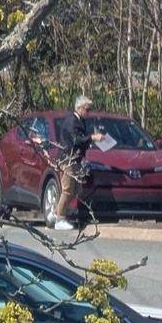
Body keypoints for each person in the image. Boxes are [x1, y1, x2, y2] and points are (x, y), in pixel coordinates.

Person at [53, 94, 100, 230]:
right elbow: (76, 140)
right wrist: (92, 137)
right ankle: (59, 219)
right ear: (79, 108)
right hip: (68, 159)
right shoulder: (72, 121)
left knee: (76, 189)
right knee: (67, 189)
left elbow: (81, 140)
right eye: (87, 109)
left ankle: (59, 212)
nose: (89, 112)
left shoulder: (81, 121)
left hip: (75, 159)